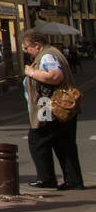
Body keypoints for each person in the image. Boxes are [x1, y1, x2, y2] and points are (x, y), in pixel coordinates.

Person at [21, 29, 85, 190]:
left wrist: (32, 72)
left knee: (38, 141)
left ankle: (47, 178)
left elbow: (56, 76)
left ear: (37, 46)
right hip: (60, 107)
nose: (26, 51)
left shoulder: (47, 56)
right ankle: (73, 180)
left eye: (27, 48)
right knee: (64, 143)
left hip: (50, 106)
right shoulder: (51, 53)